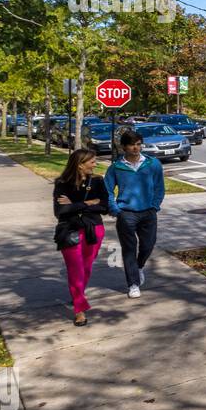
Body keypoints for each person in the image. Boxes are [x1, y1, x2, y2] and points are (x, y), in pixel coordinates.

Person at [104, 128, 165, 299]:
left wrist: (155, 206)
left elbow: (159, 187)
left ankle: (139, 267)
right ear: (124, 147)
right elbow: (107, 190)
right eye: (131, 145)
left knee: (148, 244)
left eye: (138, 144)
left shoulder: (153, 164)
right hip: (126, 214)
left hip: (148, 212)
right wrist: (116, 210)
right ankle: (133, 284)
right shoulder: (116, 167)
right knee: (129, 249)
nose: (136, 148)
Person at [53, 148, 109, 326]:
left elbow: (104, 206)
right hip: (70, 231)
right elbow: (60, 211)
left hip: (94, 229)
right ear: (80, 165)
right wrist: (87, 203)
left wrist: (74, 205)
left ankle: (78, 294)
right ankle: (79, 309)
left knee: (86, 267)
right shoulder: (62, 183)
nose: (95, 164)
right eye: (92, 161)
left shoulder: (98, 181)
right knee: (75, 269)